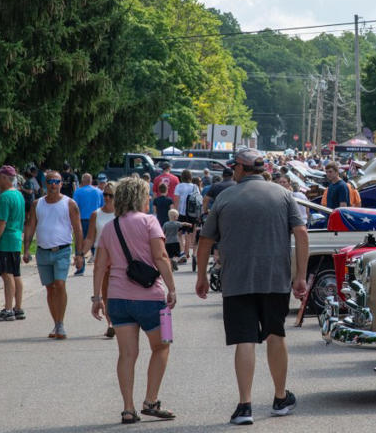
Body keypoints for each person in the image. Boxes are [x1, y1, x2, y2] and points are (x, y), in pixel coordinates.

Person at [195, 148, 309, 426]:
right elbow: (301, 233)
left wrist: (201, 276)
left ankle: (245, 406)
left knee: (245, 339)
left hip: (237, 280)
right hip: (274, 278)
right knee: (275, 334)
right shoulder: (282, 195)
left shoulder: (225, 198)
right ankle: (280, 398)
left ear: (241, 169)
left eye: (234, 167)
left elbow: (205, 241)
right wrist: (301, 276)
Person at [91, 176, 177, 424]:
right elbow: (161, 257)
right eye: (147, 195)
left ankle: (128, 408)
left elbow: (99, 266)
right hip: (152, 297)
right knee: (163, 345)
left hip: (117, 298)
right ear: (140, 197)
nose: (150, 198)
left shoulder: (109, 227)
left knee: (126, 354)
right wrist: (172, 288)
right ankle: (151, 401)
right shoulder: (150, 222)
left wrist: (97, 297)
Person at [23, 170, 85, 339]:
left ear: (61, 184)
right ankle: (56, 323)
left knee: (60, 284)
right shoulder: (38, 204)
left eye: (56, 182)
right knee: (50, 289)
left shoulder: (69, 203)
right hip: (43, 252)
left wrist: (79, 254)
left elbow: (78, 230)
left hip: (62, 251)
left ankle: (61, 324)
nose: (53, 185)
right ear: (45, 183)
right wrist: (26, 249)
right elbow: (30, 226)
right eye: (50, 181)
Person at [0, 165, 27, 322]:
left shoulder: (5, 197)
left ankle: (8, 309)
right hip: (16, 238)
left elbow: (2, 222)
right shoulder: (19, 195)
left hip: (6, 240)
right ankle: (18, 307)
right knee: (16, 274)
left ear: (5, 178)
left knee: (7, 274)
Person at [80, 181, 117, 337]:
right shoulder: (96, 214)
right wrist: (80, 254)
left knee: (119, 292)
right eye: (105, 195)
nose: (107, 198)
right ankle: (111, 323)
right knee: (106, 291)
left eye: (111, 195)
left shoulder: (122, 214)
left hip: (119, 257)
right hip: (102, 257)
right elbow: (89, 238)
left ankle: (121, 321)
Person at [72, 173, 104, 275]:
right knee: (96, 244)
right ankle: (100, 267)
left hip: (82, 220)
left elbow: (74, 207)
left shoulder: (78, 192)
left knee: (80, 244)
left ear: (82, 181)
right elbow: (103, 206)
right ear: (91, 181)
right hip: (96, 220)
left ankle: (80, 268)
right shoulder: (99, 192)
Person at [173, 169, 197, 262]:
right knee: (189, 233)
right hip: (192, 213)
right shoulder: (194, 186)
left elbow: (176, 200)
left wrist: (175, 211)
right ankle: (187, 253)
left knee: (179, 233)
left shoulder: (179, 186)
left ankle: (182, 252)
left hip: (181, 212)